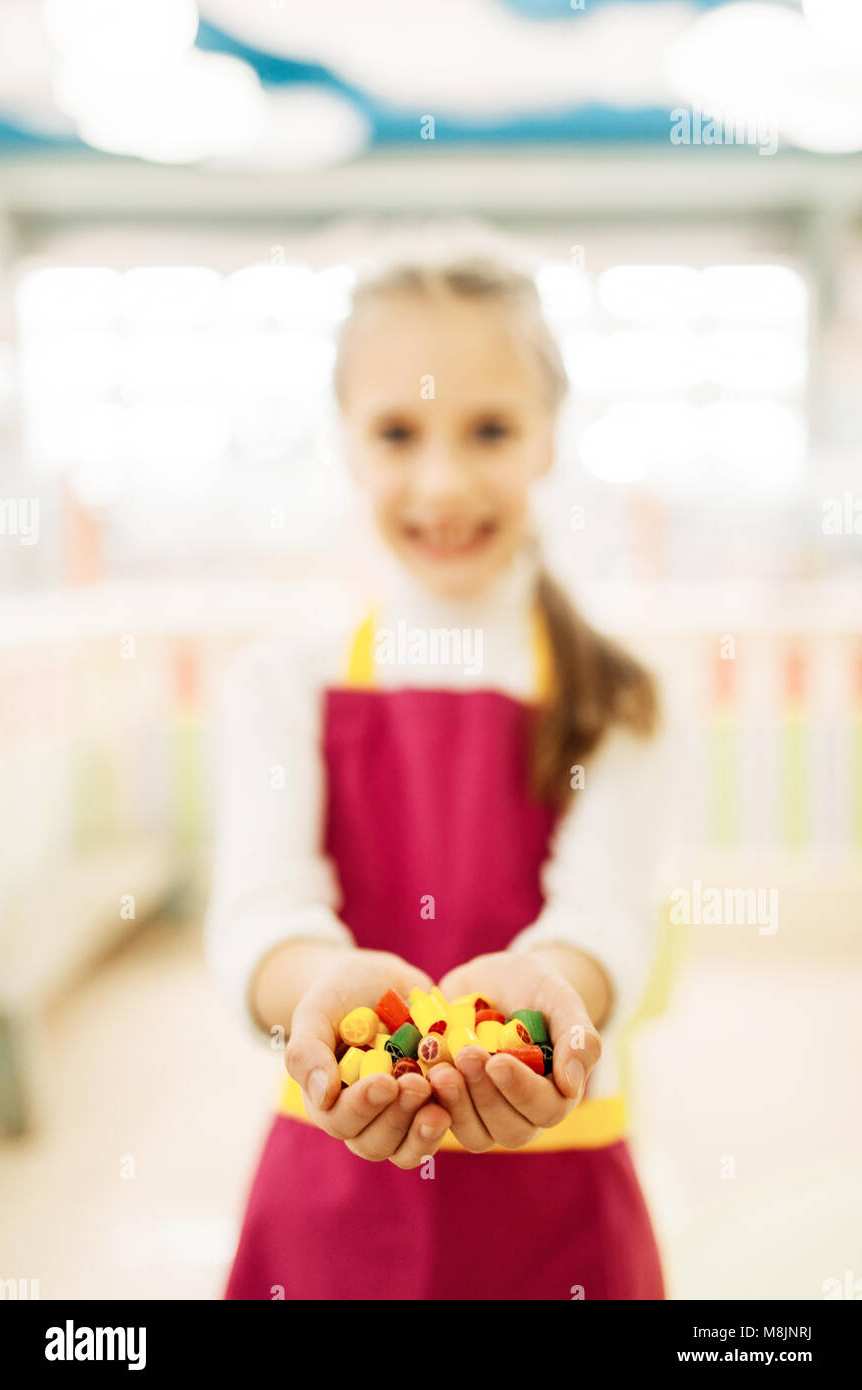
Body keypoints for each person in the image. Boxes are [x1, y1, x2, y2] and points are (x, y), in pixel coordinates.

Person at [207, 254, 667, 1300]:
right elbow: (259, 911)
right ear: (346, 444)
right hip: (333, 1193)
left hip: (561, 1199)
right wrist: (317, 991)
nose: (445, 483)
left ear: (551, 435)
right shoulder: (281, 681)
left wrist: (556, 1005)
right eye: (398, 433)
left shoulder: (623, 693)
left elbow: (606, 918)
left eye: (491, 431)